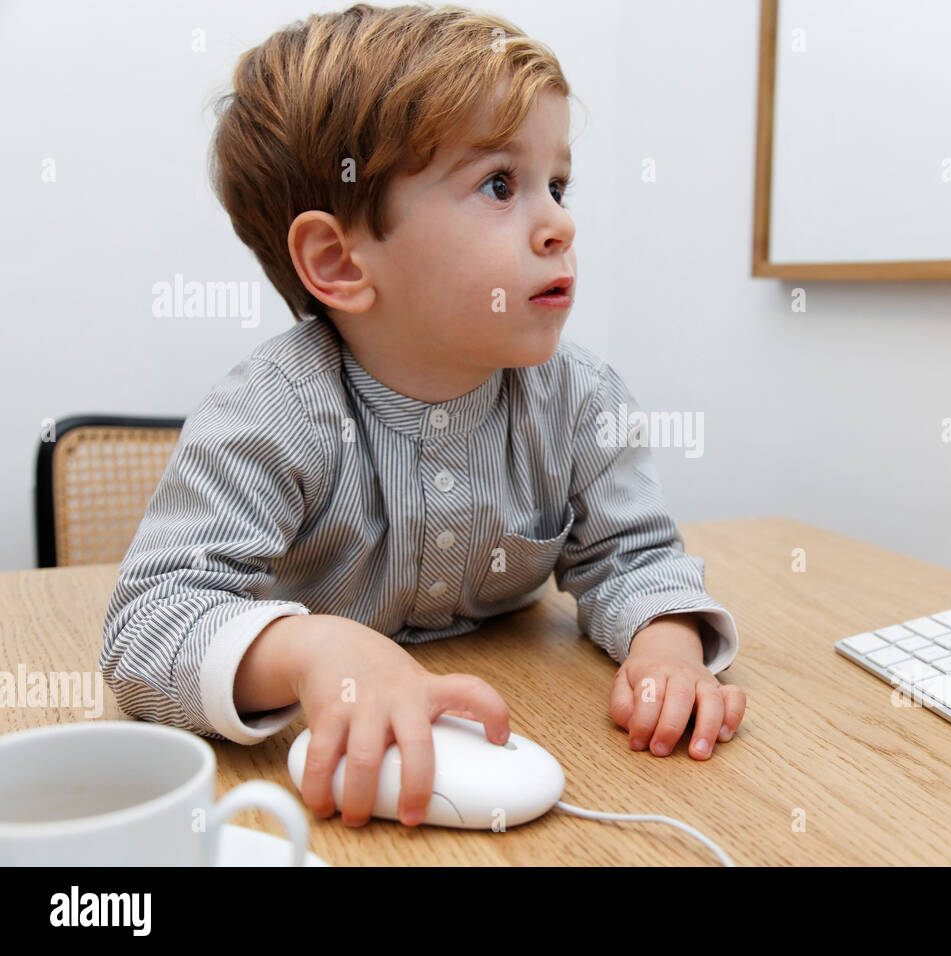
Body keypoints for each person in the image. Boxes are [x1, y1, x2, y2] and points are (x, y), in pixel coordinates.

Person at [100, 3, 745, 829]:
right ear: (339, 263)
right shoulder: (269, 411)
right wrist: (313, 652)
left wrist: (667, 645)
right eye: (500, 185)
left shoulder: (577, 397)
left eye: (558, 183)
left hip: (528, 705)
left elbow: (632, 555)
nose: (560, 223)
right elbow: (147, 627)